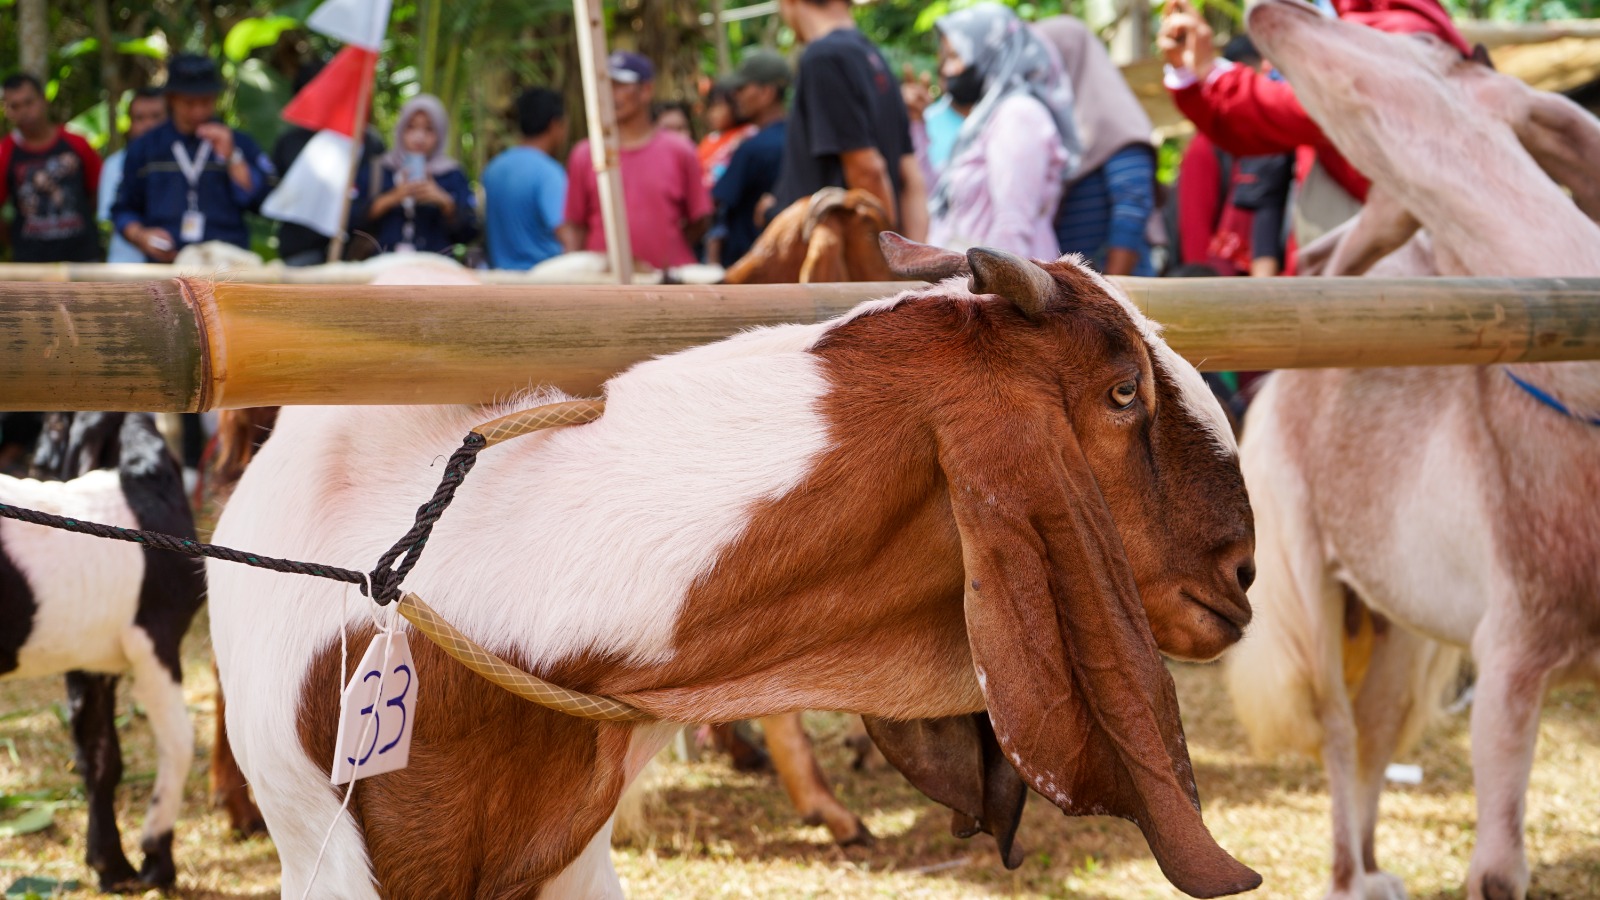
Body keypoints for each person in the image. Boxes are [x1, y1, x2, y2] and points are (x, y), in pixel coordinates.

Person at [1159, 0, 1469, 250]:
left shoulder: (1394, 17)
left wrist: (1207, 72)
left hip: (1416, 233)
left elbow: (1340, 97)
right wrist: (1195, 73)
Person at [924, 4, 1078, 257]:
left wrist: (994, 293)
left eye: (955, 57)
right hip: (974, 284)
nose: (946, 70)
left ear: (990, 54)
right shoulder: (982, 121)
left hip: (997, 288)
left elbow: (1012, 228)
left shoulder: (1018, 116)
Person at [773, 0, 927, 242]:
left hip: (837, 261)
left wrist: (886, 261)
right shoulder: (873, 55)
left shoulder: (822, 57)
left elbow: (867, 171)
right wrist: (911, 257)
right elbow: (911, 179)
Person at [113, 54, 274, 261]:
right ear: (171, 99)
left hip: (228, 263)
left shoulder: (239, 143)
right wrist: (142, 236)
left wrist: (233, 157)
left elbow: (264, 201)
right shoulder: (145, 147)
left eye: (206, 101)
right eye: (189, 103)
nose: (198, 111)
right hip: (167, 267)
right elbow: (123, 209)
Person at [560, 52, 712, 270]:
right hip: (605, 285)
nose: (612, 95)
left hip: (667, 283)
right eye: (606, 86)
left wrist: (664, 250)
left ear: (646, 90)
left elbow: (700, 219)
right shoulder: (585, 154)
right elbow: (575, 224)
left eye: (621, 86)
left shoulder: (680, 150)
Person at [1035, 15, 1160, 276]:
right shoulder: (1061, 125)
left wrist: (1111, 289)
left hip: (1116, 288)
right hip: (1078, 287)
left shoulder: (1115, 118)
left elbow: (1132, 207)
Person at [270, 59, 387, 265]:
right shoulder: (289, 143)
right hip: (300, 251)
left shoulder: (367, 141)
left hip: (353, 255)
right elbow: (272, 191)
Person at [354, 94, 478, 257]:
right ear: (400, 130)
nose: (419, 137)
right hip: (381, 269)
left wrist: (445, 202)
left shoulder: (452, 174)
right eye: (411, 127)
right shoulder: (379, 169)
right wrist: (392, 197)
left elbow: (471, 232)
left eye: (429, 129)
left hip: (435, 270)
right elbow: (351, 222)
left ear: (440, 133)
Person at [1, 72, 104, 262]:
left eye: (29, 102)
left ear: (43, 100)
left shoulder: (76, 143)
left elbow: (97, 191)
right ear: (7, 110)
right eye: (15, 106)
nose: (24, 111)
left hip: (82, 258)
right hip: (30, 263)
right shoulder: (5, 152)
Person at [711, 50, 790, 267]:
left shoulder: (753, 149)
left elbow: (715, 202)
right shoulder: (802, 138)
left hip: (750, 265)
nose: (735, 96)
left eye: (741, 88)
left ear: (766, 92)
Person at [482, 87, 568, 270]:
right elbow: (566, 234)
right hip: (543, 283)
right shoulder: (549, 173)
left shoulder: (493, 168)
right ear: (555, 125)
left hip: (501, 280)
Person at [96, 88, 166, 263]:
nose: (148, 125)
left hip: (176, 271)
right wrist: (142, 237)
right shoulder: (115, 164)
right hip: (127, 267)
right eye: (140, 118)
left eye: (156, 116)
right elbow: (114, 213)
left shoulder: (183, 159)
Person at [696, 80, 755, 189]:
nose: (712, 113)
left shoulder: (747, 134)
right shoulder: (709, 139)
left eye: (718, 106)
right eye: (710, 107)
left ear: (735, 105)